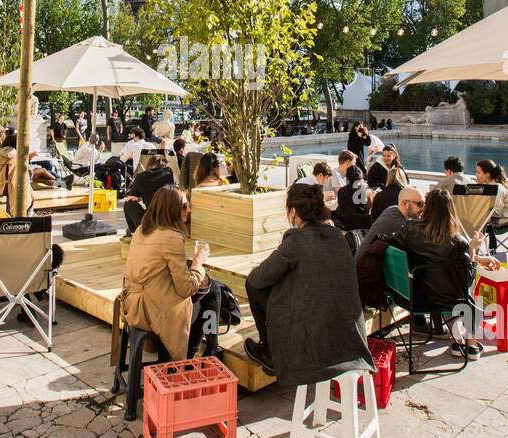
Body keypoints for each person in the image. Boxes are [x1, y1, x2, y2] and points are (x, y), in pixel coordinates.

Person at [242, 182, 375, 383]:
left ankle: (270, 351)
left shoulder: (297, 240)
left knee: (253, 285)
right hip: (348, 331)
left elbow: (258, 278)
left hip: (313, 336)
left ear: (293, 212)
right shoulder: (337, 236)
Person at [121, 185, 222, 361]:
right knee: (213, 291)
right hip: (151, 306)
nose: (188, 210)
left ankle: (204, 348)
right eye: (184, 206)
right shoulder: (171, 237)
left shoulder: (142, 229)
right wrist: (198, 263)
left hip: (131, 301)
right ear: (172, 209)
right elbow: (185, 288)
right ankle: (195, 354)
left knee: (206, 292)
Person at [392, 188, 494, 359]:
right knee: (464, 291)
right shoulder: (458, 242)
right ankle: (471, 344)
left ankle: (458, 340)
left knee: (451, 286)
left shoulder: (409, 229)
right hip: (449, 300)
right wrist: (473, 251)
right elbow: (466, 280)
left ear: (427, 208)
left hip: (417, 296)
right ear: (450, 210)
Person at [355, 185, 425, 264]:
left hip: (360, 265)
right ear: (405, 204)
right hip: (364, 270)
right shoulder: (398, 223)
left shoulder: (393, 209)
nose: (423, 208)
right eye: (420, 204)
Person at [123, 155, 176, 235]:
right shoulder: (168, 172)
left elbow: (131, 196)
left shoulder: (141, 177)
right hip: (169, 218)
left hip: (151, 222)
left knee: (128, 203)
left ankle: (134, 233)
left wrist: (139, 198)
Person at [475, 159, 508, 248]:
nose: (476, 175)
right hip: (494, 218)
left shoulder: (496, 188)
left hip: (501, 220)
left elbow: (497, 212)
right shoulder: (490, 186)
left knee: (468, 220)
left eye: (478, 172)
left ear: (487, 174)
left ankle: (471, 248)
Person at [333, 151, 372, 233]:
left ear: (347, 178)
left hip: (346, 224)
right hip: (362, 224)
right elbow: (368, 209)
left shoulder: (341, 191)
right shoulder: (366, 192)